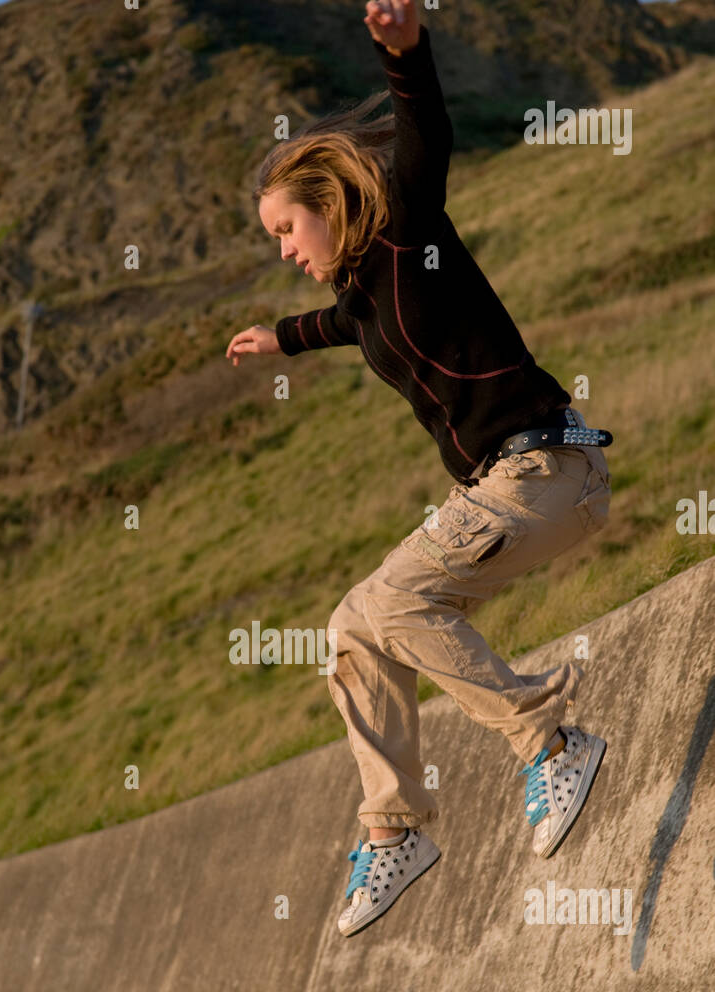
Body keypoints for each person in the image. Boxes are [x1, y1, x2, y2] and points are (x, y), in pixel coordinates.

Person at [225, 0, 612, 938]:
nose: (283, 251)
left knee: (399, 603)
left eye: (286, 230)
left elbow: (424, 131)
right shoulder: (361, 296)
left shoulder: (406, 229)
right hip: (497, 490)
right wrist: (276, 339)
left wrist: (403, 53)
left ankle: (551, 743)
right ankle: (394, 829)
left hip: (548, 473)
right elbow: (333, 327)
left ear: (327, 207)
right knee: (353, 626)